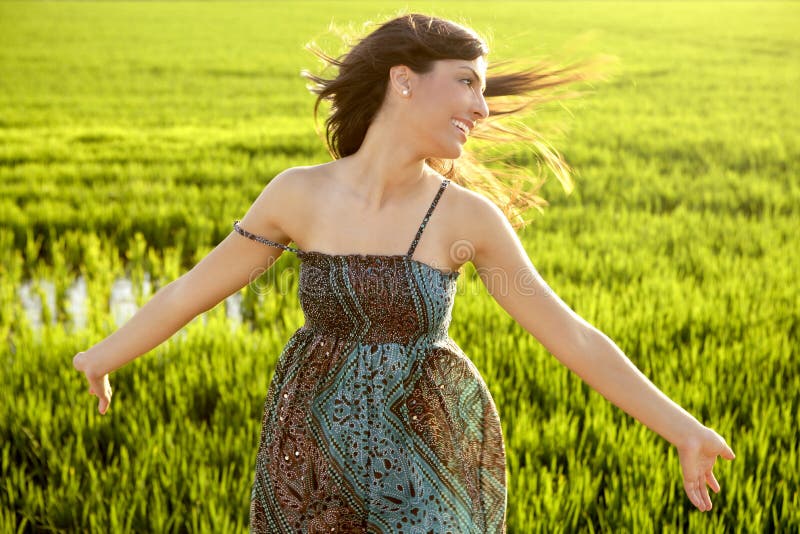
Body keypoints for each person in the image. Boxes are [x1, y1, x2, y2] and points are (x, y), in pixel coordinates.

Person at [72, 12, 735, 533]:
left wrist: (684, 429)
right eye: (467, 81)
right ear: (403, 78)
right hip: (311, 453)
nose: (482, 107)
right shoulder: (296, 196)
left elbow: (572, 335)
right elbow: (194, 290)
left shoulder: (465, 221)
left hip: (425, 458)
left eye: (483, 87)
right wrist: (101, 355)